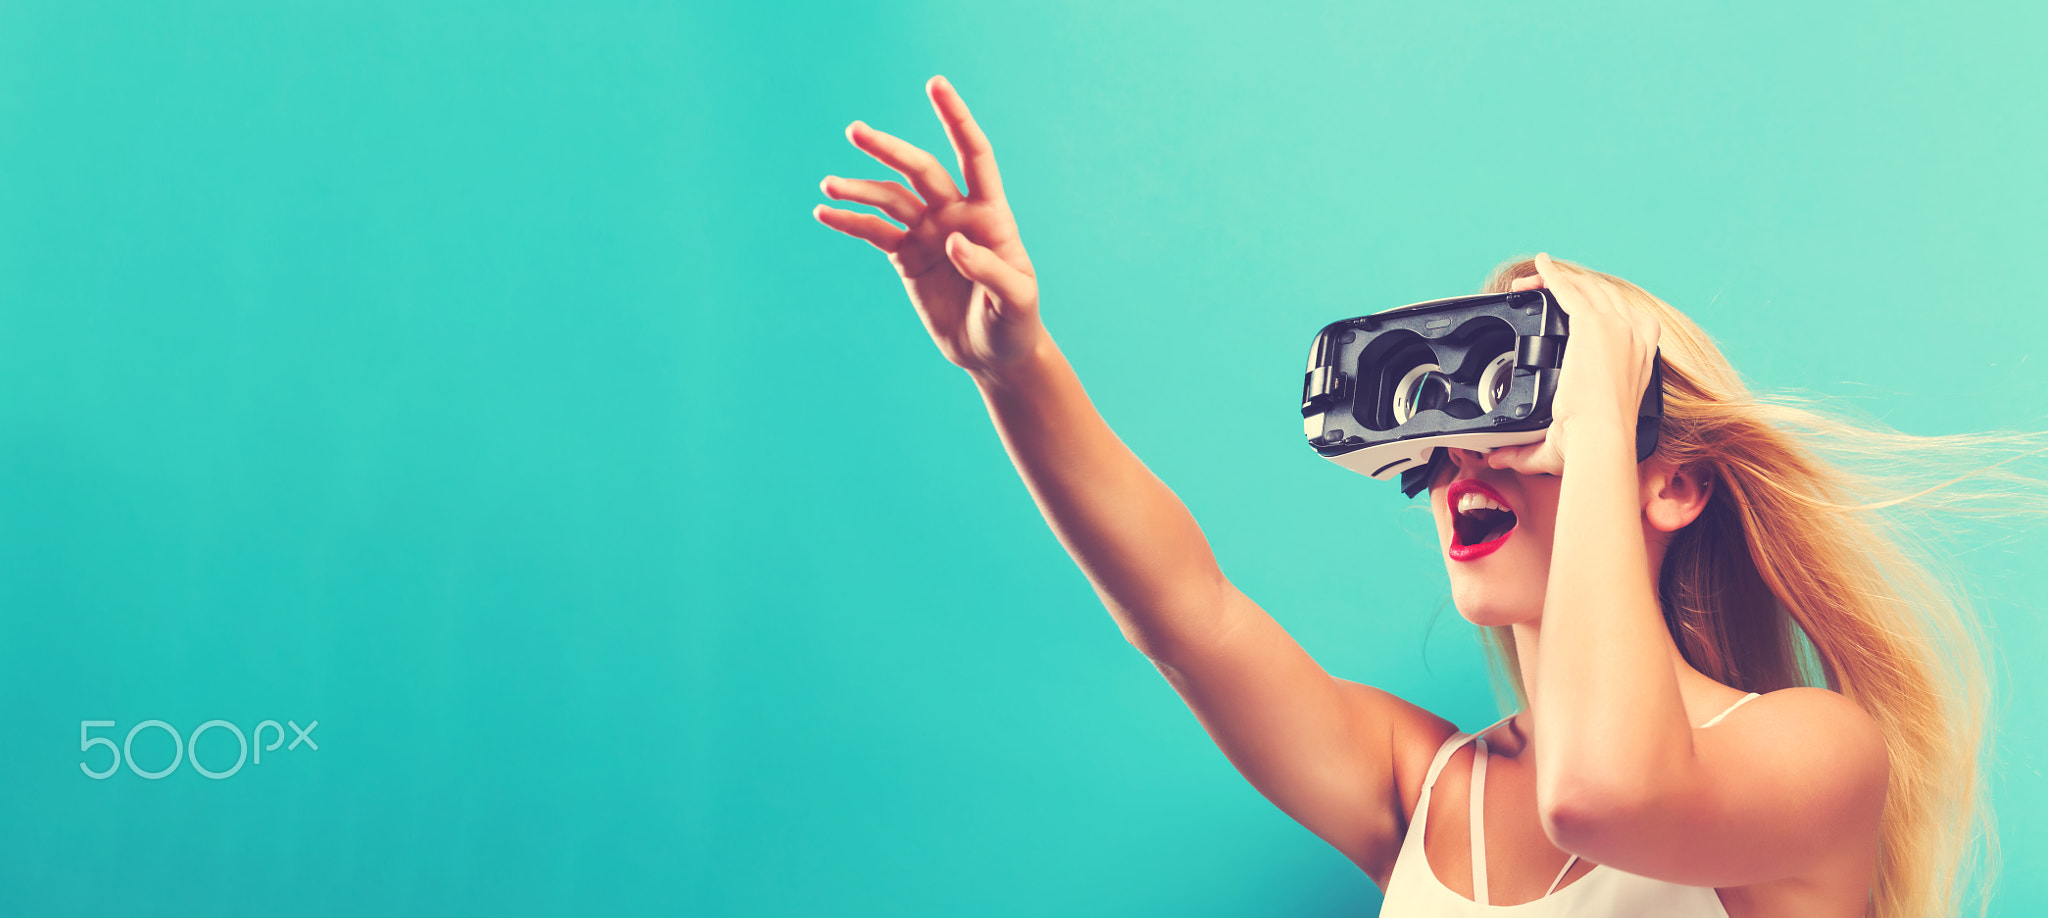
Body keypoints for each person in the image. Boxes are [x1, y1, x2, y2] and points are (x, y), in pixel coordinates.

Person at [813, 77, 2002, 917]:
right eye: (1438, 444)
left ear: (1672, 485)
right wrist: (1013, 368)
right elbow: (1188, 612)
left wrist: (1591, 420)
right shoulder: (1424, 784)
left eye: (1511, 425)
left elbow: (1603, 794)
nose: (1455, 468)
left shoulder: (1811, 751)